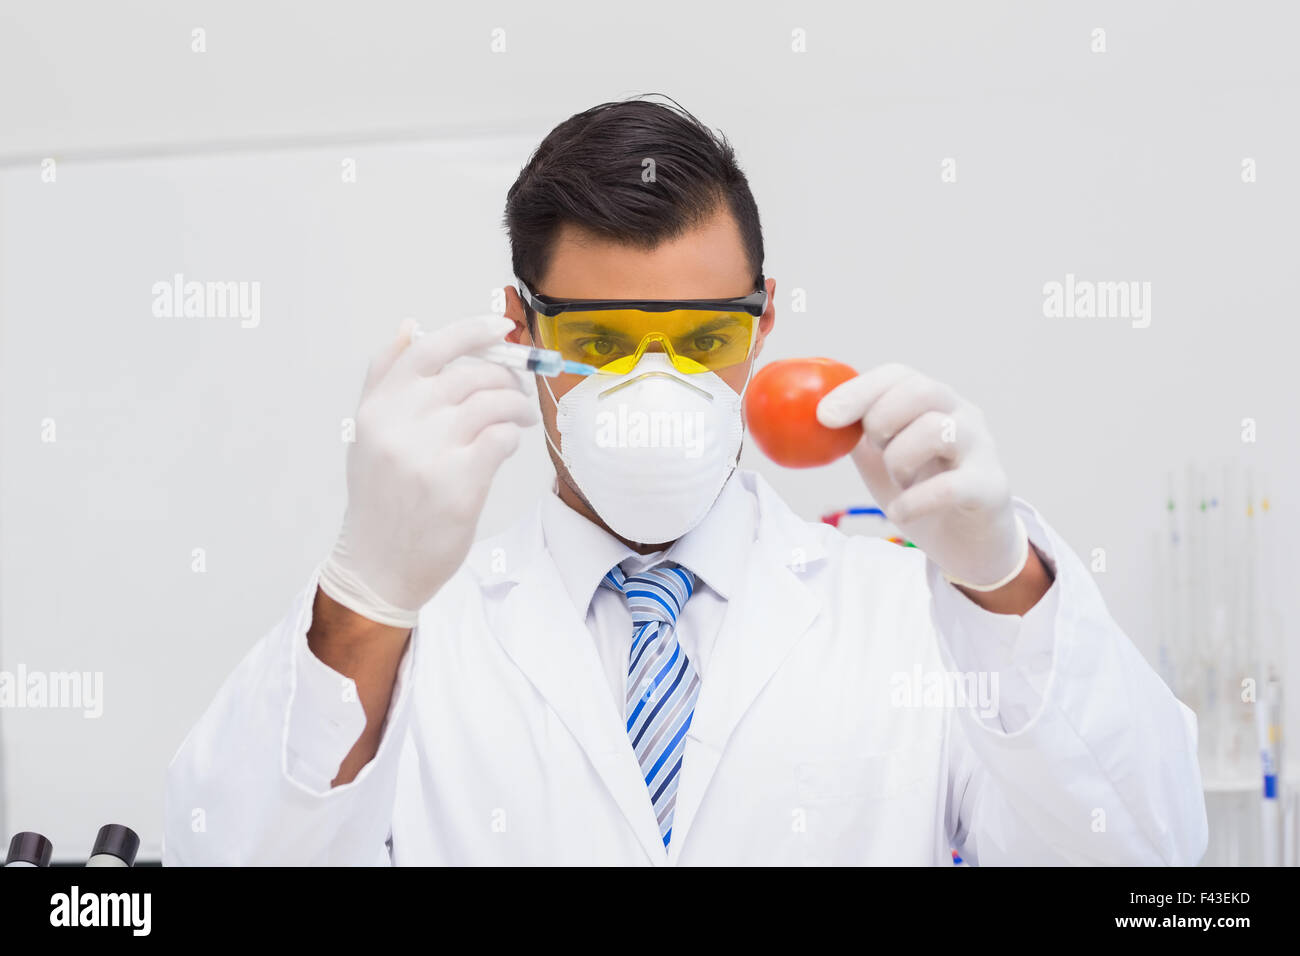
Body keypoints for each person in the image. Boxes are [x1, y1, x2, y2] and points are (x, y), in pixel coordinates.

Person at [164, 96, 1208, 865]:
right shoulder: (415, 650)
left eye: (704, 336)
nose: (655, 384)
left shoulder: (906, 623)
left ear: (764, 319)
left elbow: (1147, 861)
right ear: (522, 330)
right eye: (606, 340)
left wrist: (1004, 583)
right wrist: (365, 592)